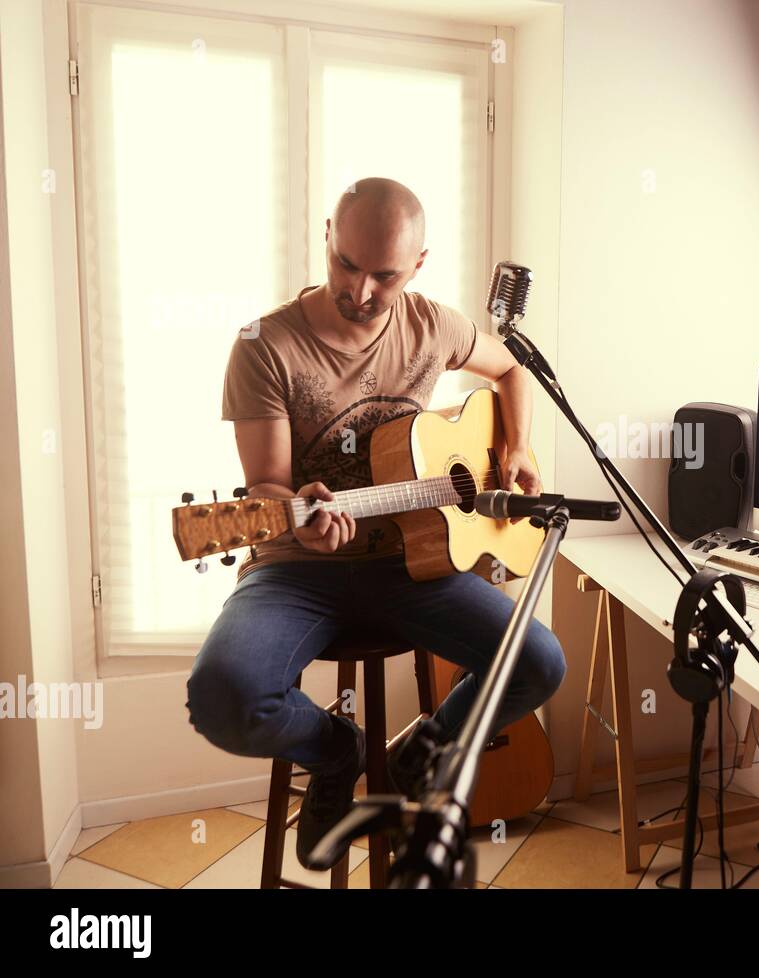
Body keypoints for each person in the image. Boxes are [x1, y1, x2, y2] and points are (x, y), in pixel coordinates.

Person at [186, 177, 565, 869]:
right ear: (327, 236)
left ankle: (426, 749)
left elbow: (512, 370)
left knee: (539, 663)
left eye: (383, 276)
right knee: (223, 697)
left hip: (411, 565)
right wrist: (300, 518)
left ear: (418, 265)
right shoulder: (264, 346)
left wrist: (510, 448)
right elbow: (268, 487)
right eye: (346, 266)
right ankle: (338, 752)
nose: (360, 291)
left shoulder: (432, 326)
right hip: (299, 571)